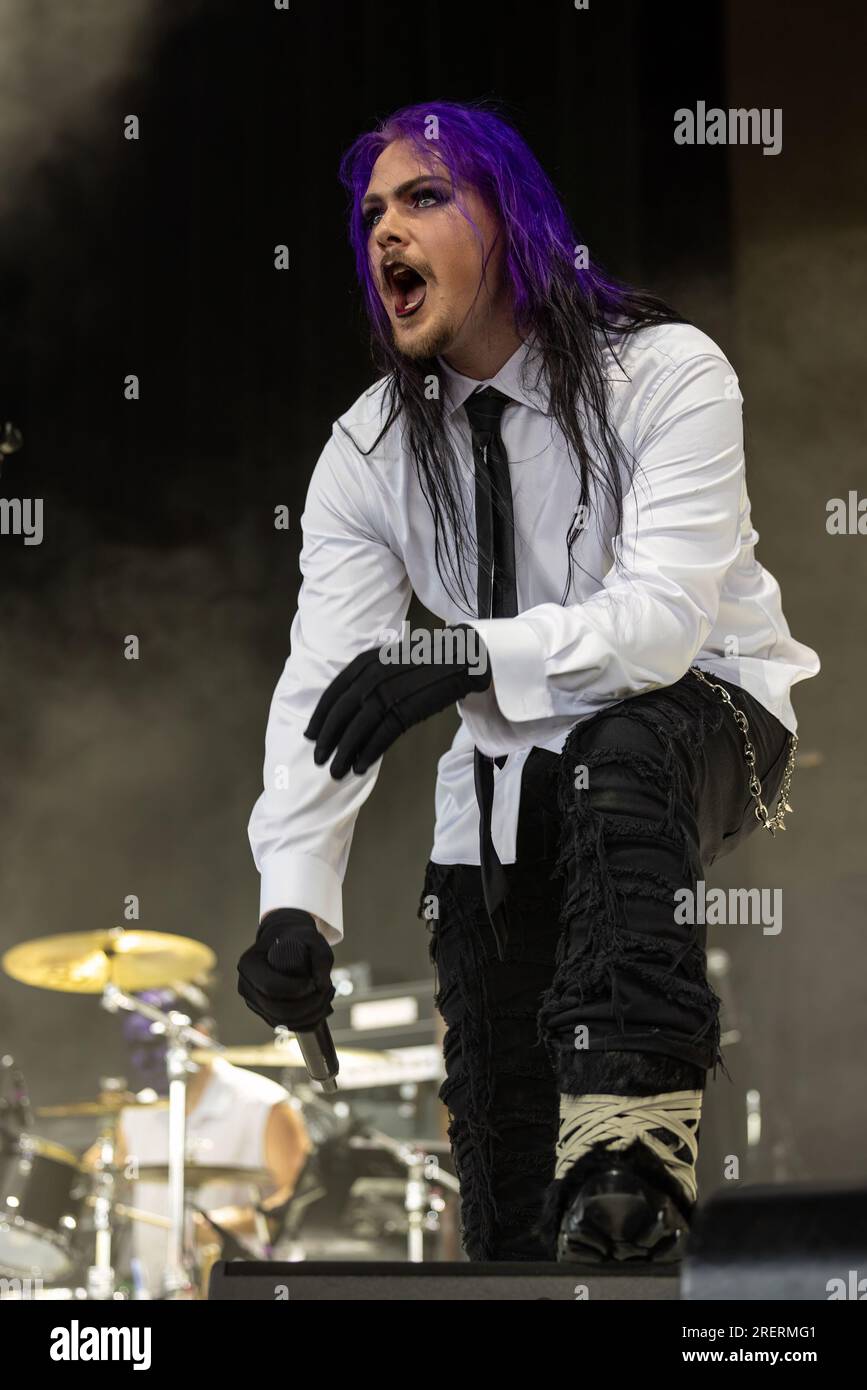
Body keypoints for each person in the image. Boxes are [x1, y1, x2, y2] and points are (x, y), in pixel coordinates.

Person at [237, 100, 820, 1263]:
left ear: (514, 222)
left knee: (621, 754)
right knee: (505, 1201)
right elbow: (322, 688)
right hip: (510, 779)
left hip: (710, 712)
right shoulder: (368, 454)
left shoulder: (665, 373)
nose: (385, 232)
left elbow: (659, 625)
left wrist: (467, 653)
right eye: (369, 216)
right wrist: (294, 895)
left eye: (425, 198)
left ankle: (631, 1143)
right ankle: (540, 1234)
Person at [110, 985, 311, 1295]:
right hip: (158, 1291)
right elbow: (120, 1183)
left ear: (198, 1034)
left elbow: (298, 1203)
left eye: (152, 1045)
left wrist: (228, 1223)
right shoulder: (135, 1113)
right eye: (133, 1046)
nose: (143, 1060)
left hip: (250, 1287)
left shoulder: (266, 1106)